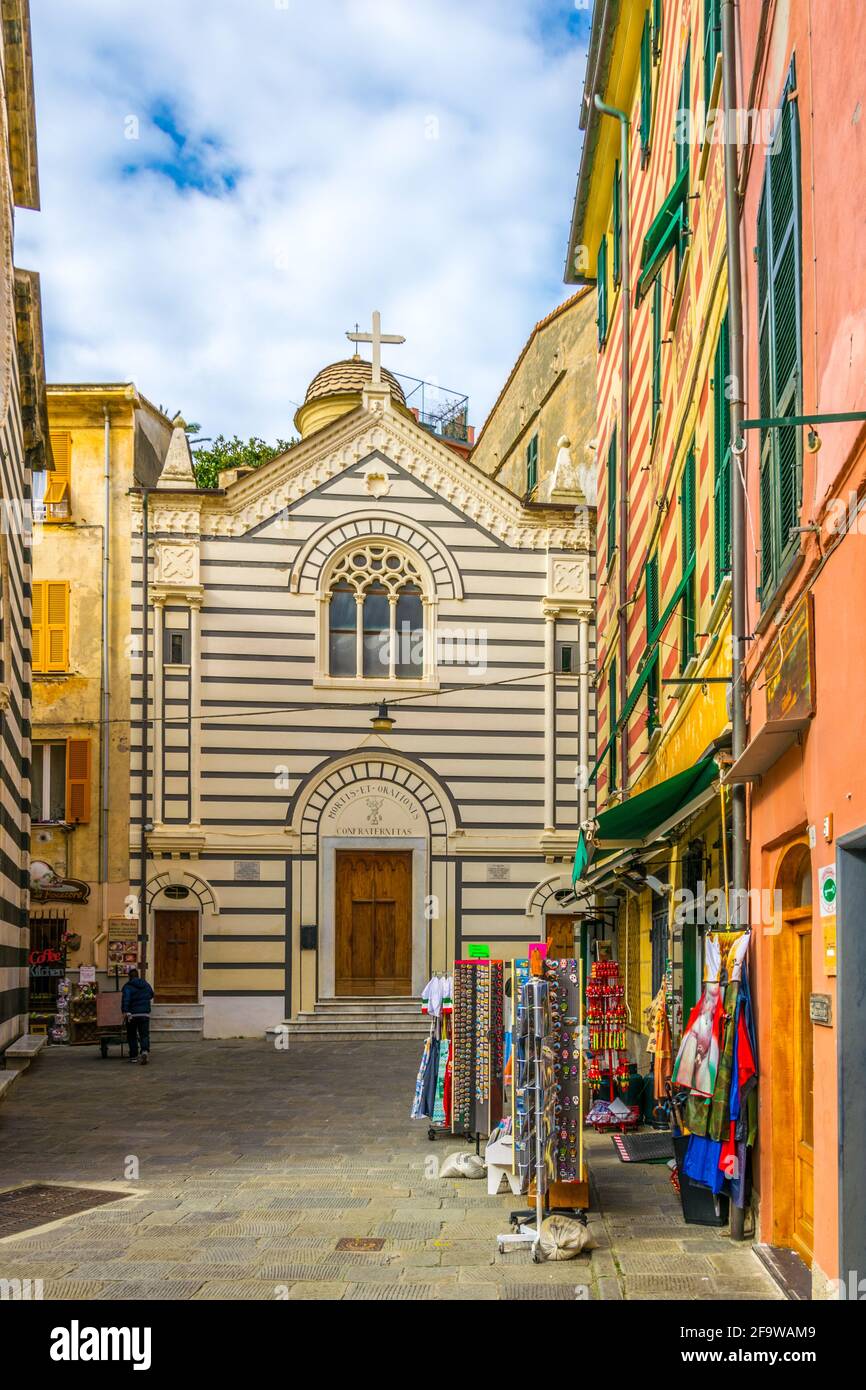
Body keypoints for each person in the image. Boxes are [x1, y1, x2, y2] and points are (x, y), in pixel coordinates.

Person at [121, 968, 154, 1064]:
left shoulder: (127, 986)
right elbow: (151, 994)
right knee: (144, 1034)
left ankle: (133, 1056)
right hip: (144, 1013)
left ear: (129, 977)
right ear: (138, 976)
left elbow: (126, 999)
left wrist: (125, 1011)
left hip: (131, 1014)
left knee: (132, 1035)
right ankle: (144, 1051)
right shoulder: (146, 985)